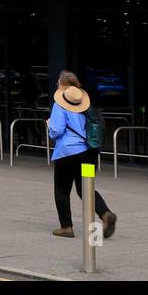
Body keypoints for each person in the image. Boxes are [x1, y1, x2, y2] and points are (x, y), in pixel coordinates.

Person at [48, 71, 117, 239]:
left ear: (62, 86)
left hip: (67, 154)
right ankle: (105, 213)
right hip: (88, 153)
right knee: (85, 188)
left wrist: (49, 127)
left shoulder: (60, 105)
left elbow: (56, 130)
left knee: (62, 190)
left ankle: (66, 227)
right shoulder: (86, 104)